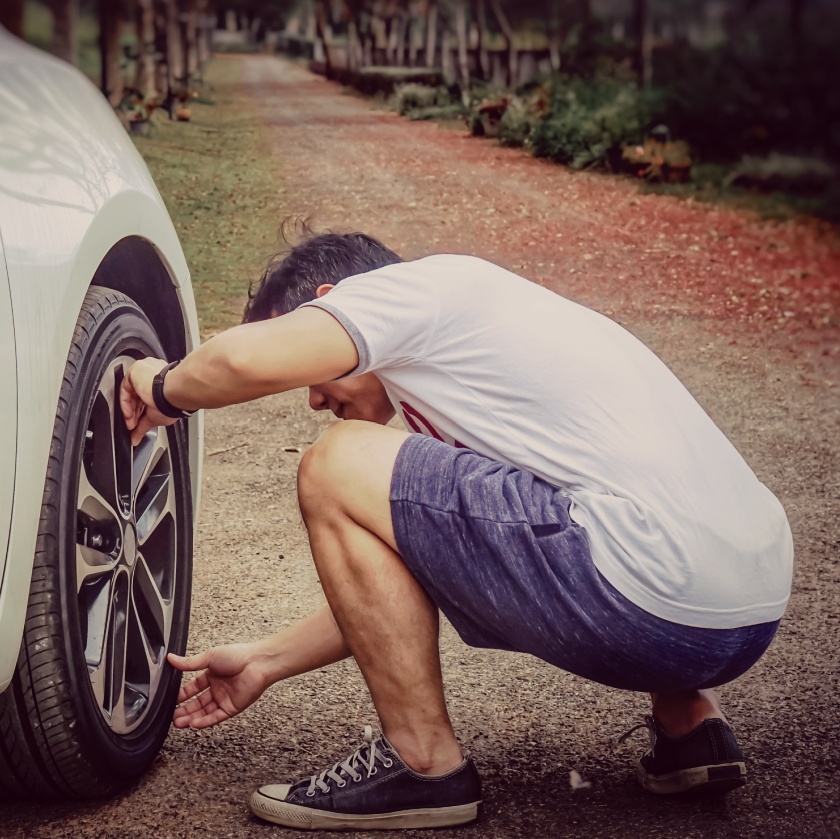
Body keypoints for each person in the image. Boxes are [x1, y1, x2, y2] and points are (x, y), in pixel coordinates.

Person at [120, 228, 793, 831]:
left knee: (335, 461)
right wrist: (267, 660)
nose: (314, 398)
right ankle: (692, 726)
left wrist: (164, 384)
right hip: (744, 611)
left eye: (306, 366)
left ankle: (422, 764)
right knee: (604, 495)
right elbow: (420, 576)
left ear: (332, 300)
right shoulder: (493, 352)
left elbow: (240, 363)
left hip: (647, 592)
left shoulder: (410, 291)